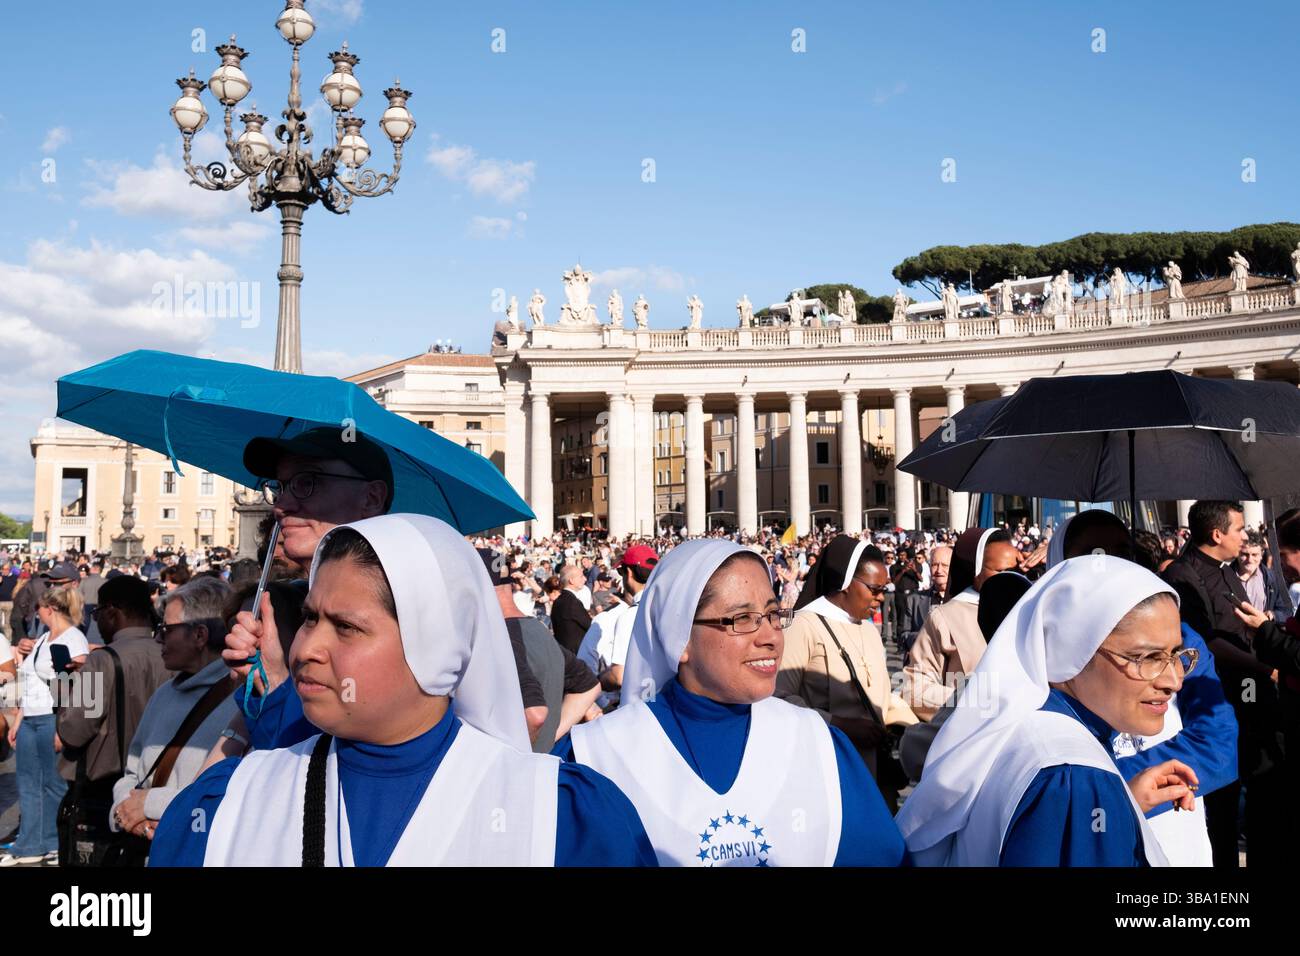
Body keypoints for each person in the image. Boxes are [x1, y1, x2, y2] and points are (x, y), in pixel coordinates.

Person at [149, 515, 656, 866]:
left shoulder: (562, 817)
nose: (307, 648)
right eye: (309, 618)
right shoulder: (227, 802)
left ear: (434, 647)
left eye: (346, 627)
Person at [557, 539, 907, 866]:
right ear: (680, 638)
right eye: (743, 619)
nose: (771, 637)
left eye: (773, 614)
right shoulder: (594, 758)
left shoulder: (819, 742)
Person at [896, 556, 1199, 866]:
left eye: (1176, 654)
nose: (1174, 681)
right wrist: (1097, 798)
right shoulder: (1074, 777)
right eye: (1147, 657)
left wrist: (1119, 805)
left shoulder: (1024, 727)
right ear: (1073, 650)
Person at [1161, 500, 1284, 868]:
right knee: (1222, 804)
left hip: (1253, 696)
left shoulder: (1228, 572)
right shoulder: (1183, 575)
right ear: (1217, 534)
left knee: (1264, 791)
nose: (1245, 537)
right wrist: (1265, 668)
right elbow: (1204, 642)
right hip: (1217, 700)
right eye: (1239, 530)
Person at [776, 536, 918, 809]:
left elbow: (881, 695)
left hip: (875, 775)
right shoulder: (803, 625)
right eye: (874, 589)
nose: (880, 598)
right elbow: (777, 701)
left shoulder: (869, 630)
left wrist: (910, 727)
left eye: (883, 590)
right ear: (845, 583)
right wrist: (839, 725)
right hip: (827, 773)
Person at [108, 577, 237, 852]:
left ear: (200, 635)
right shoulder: (165, 693)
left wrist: (151, 805)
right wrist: (126, 809)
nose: (158, 638)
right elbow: (133, 770)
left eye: (166, 629)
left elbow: (229, 795)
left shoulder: (241, 702)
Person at [55, 576, 171, 864]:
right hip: (160, 786)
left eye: (97, 614)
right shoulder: (171, 654)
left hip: (106, 787)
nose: (97, 621)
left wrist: (64, 686)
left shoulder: (101, 661)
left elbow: (74, 730)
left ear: (112, 612)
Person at [1, 585, 90, 866]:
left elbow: (79, 687)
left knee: (52, 784)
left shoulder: (74, 639)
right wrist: (19, 718)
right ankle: (30, 843)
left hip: (52, 717)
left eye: (38, 608)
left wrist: (66, 727)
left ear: (49, 609)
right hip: (32, 717)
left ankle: (52, 842)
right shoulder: (43, 638)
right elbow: (30, 681)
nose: (35, 612)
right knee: (29, 783)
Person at [901, 528, 1019, 719]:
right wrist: (968, 701)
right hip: (972, 728)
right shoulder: (946, 617)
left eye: (1014, 570)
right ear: (975, 570)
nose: (1010, 578)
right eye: (1000, 571)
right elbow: (914, 688)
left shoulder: (1030, 607)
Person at [576, 544, 656, 709]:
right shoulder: (669, 609)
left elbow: (619, 676)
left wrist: (599, 684)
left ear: (629, 573)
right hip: (664, 705)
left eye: (621, 572)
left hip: (635, 708)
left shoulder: (629, 616)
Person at [550, 565, 592, 656]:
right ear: (571, 581)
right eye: (581, 576)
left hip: (563, 652)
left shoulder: (558, 601)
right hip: (575, 654)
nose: (585, 579)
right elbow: (590, 626)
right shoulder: (573, 602)